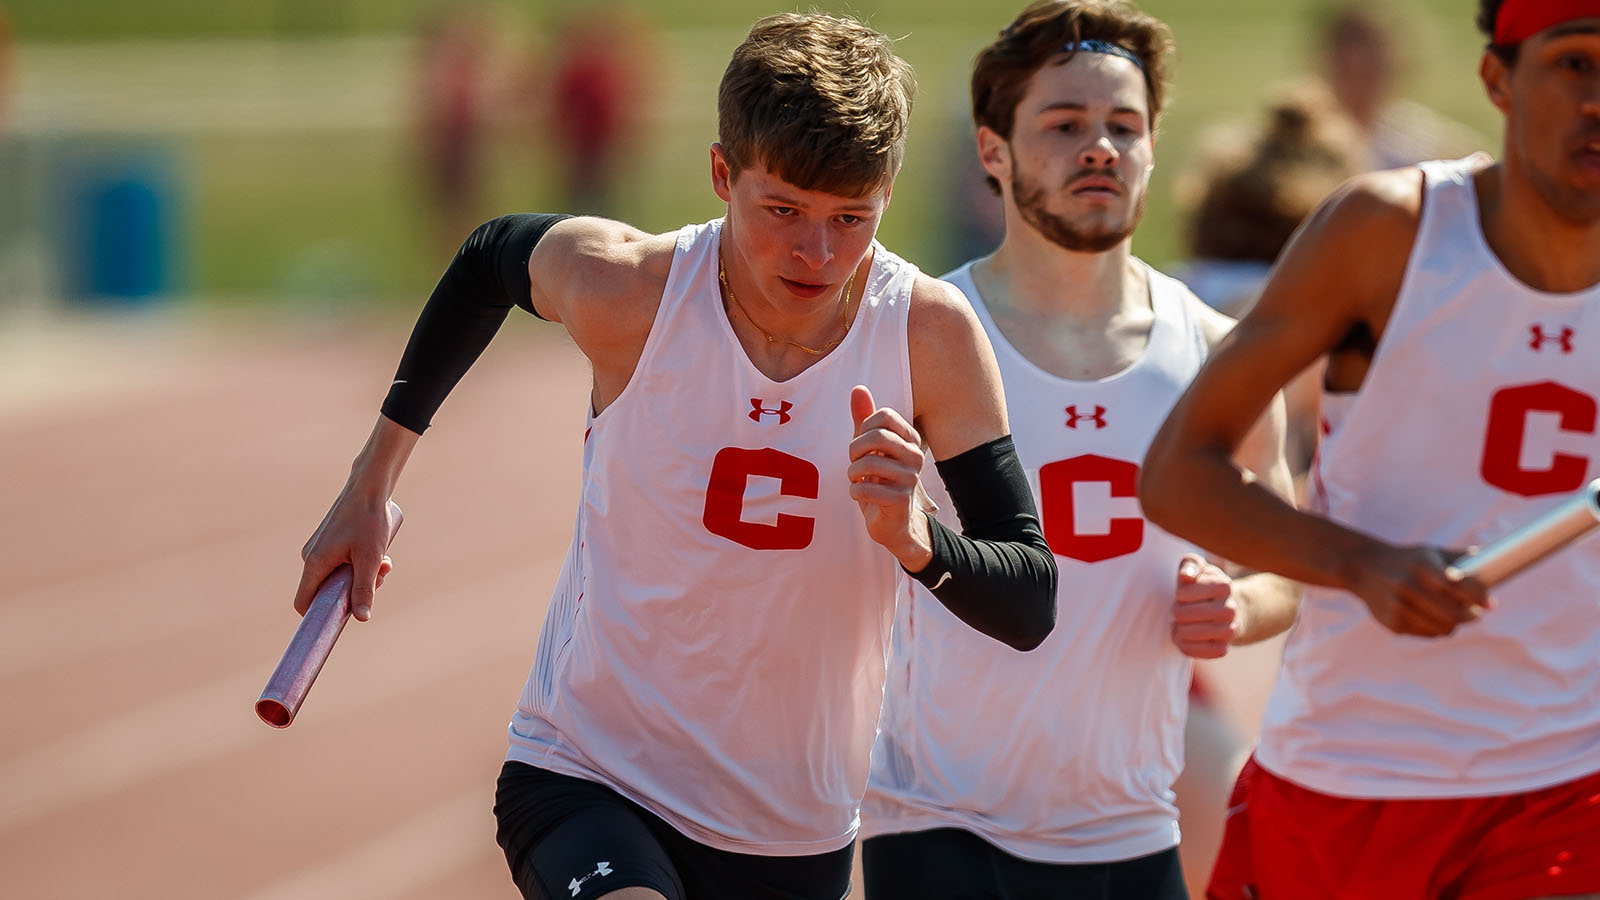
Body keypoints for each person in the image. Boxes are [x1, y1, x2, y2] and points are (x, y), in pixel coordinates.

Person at [293, 13, 1058, 900]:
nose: (816, 253)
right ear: (722, 174)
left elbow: (1030, 600)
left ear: (886, 192)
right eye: (783, 211)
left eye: (851, 218)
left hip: (791, 832)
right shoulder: (635, 292)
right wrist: (371, 481)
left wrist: (919, 542)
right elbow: (487, 259)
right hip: (591, 773)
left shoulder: (928, 337)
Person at [1140, 1, 1600, 897]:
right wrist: (1366, 565)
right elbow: (1178, 472)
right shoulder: (1392, 230)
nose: (1598, 100)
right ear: (1497, 80)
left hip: (1563, 781)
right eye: (1574, 63)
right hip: (1352, 776)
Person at [858, 3, 1298, 898]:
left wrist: (1240, 608)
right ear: (993, 152)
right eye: (1064, 125)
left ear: (1151, 148)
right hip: (940, 819)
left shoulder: (1217, 354)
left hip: (1133, 828)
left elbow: (1285, 562)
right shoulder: (917, 332)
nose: (1100, 148)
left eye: (1123, 127)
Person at [1316, 2, 1485, 170]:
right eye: (1347, 68)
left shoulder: (1413, 142)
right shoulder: (1310, 137)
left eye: (1369, 69)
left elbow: (1473, 162)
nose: (1358, 83)